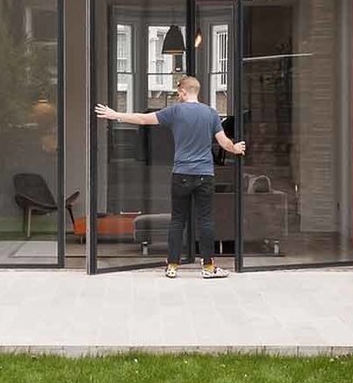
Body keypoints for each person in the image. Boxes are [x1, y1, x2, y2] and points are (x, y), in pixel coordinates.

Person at [95, 74, 246, 278]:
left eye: (178, 92)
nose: (178, 96)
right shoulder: (210, 113)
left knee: (177, 220)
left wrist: (115, 115)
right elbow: (223, 142)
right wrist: (235, 148)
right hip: (204, 175)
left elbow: (143, 119)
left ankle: (172, 266)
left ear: (184, 91)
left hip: (181, 174)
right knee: (206, 221)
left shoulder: (175, 112)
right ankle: (209, 267)